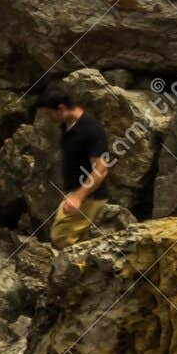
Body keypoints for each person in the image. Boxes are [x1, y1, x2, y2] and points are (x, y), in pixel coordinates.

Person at [37, 85, 111, 249]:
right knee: (79, 241)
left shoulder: (91, 130)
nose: (49, 118)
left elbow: (101, 169)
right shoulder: (66, 126)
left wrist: (79, 196)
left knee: (61, 236)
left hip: (89, 196)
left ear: (61, 108)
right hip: (75, 192)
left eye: (49, 113)